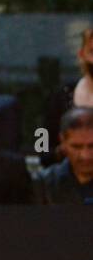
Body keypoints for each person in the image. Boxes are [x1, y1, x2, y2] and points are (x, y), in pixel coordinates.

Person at [40, 26, 93, 167]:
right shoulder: (59, 95)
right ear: (81, 54)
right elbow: (41, 146)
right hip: (66, 182)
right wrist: (62, 150)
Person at [37, 106, 93, 204]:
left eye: (92, 146)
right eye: (76, 147)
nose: (85, 155)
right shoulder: (43, 184)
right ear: (63, 142)